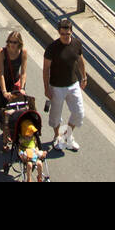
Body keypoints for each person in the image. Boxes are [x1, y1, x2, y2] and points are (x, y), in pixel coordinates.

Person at [42, 18, 86, 152]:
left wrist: (84, 77)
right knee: (55, 115)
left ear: (71, 32)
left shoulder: (77, 44)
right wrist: (46, 88)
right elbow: (46, 69)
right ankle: (57, 136)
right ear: (58, 33)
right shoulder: (52, 48)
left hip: (73, 84)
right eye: (62, 34)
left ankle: (67, 135)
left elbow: (80, 60)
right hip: (56, 86)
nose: (65, 37)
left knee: (79, 112)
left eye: (68, 34)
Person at [0, 30, 28, 150]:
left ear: (19, 43)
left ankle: (10, 132)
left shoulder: (23, 52)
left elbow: (23, 72)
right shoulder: (2, 52)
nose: (12, 44)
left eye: (14, 42)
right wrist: (4, 91)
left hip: (15, 84)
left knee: (16, 109)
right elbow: (1, 73)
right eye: (10, 42)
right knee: (3, 110)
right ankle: (5, 134)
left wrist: (22, 88)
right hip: (3, 83)